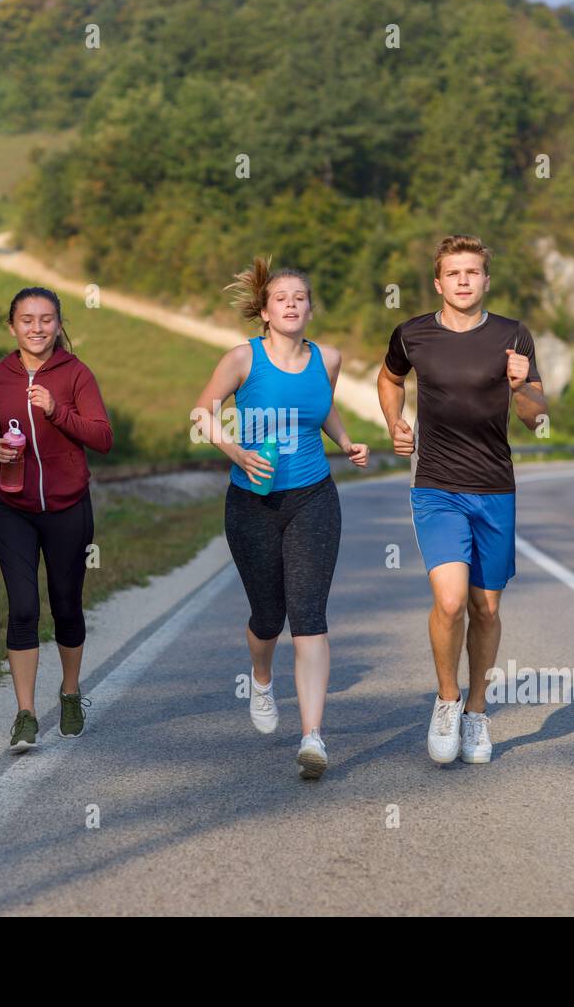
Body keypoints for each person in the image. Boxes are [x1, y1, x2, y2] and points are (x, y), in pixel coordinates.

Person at [193, 257, 368, 780]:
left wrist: (345, 442)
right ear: (266, 312)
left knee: (308, 615)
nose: (292, 304)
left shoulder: (328, 358)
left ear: (310, 308)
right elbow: (202, 412)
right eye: (282, 298)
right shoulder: (241, 360)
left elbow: (322, 407)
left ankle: (312, 737)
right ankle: (262, 678)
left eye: (300, 297)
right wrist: (236, 452)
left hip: (313, 497)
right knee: (268, 617)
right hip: (251, 500)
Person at [377, 235, 547, 765]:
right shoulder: (413, 334)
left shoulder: (513, 336)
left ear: (486, 280)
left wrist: (522, 386)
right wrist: (394, 422)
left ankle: (477, 712)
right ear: (438, 282)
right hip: (436, 485)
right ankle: (447, 701)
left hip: (495, 487)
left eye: (473, 272)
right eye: (454, 273)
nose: (464, 281)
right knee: (450, 601)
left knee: (486, 608)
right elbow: (388, 378)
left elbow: (536, 416)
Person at [0, 286, 113, 750]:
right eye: (27, 320)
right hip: (11, 508)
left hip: (67, 509)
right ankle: (26, 714)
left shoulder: (76, 374)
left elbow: (102, 437)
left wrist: (57, 411)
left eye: (47, 319)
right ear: (12, 326)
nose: (37, 328)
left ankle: (71, 693)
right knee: (22, 608)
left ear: (59, 324)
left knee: (66, 606)